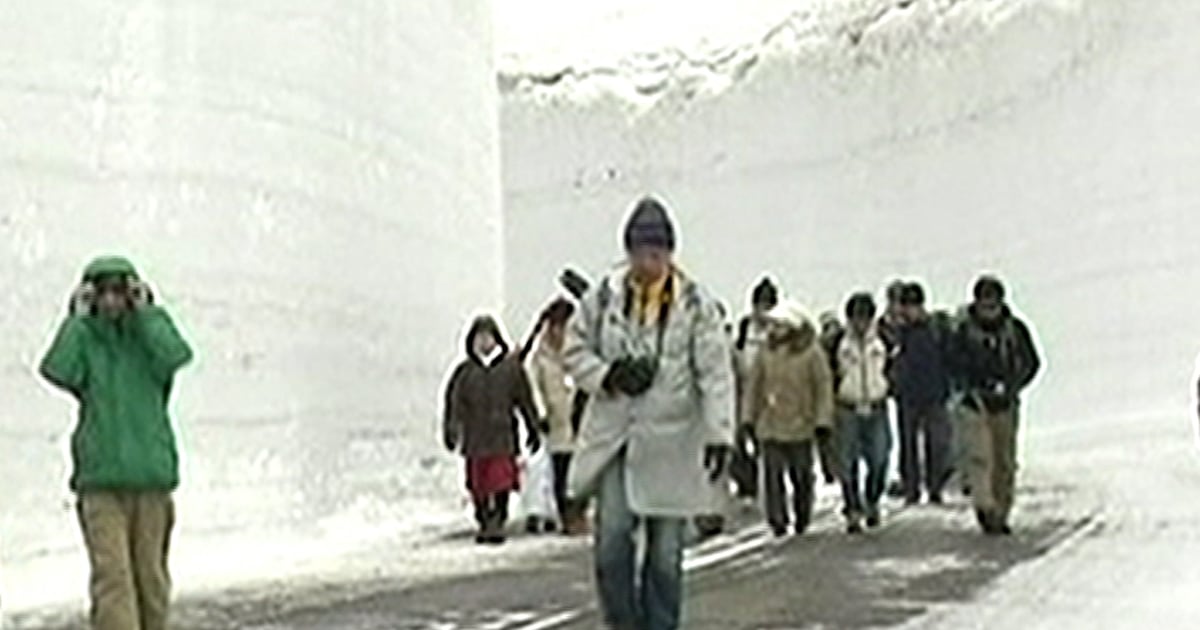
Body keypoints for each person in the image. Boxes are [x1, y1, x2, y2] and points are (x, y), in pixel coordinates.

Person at [563, 195, 734, 630]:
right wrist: (609, 376)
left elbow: (715, 373)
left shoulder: (696, 305)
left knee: (665, 556)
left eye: (656, 253)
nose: (648, 263)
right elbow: (574, 349)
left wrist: (720, 433)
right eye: (640, 252)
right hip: (618, 440)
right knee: (611, 544)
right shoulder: (603, 298)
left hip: (673, 445)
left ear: (670, 253)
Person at [38, 256, 194, 630]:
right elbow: (57, 369)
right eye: (102, 293)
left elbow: (177, 355)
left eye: (118, 291)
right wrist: (76, 321)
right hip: (100, 484)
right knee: (113, 580)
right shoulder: (86, 343)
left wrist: (149, 313)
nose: (110, 301)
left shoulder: (150, 344)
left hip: (151, 481)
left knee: (151, 580)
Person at [949, 275, 1041, 535]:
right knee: (979, 457)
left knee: (1004, 461)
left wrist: (1013, 385)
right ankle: (985, 505)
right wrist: (968, 386)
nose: (989, 309)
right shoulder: (963, 332)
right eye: (984, 304)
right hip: (974, 404)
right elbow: (951, 363)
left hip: (1005, 405)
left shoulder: (1016, 330)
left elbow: (1032, 362)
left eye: (993, 304)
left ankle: (1001, 511)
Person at [443, 315, 543, 545]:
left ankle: (497, 520)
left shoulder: (511, 370)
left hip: (502, 438)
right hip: (475, 440)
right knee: (478, 485)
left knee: (501, 482)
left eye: (488, 337)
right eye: (479, 337)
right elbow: (453, 404)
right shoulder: (464, 373)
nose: (484, 342)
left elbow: (525, 401)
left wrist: (533, 428)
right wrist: (451, 429)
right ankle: (483, 520)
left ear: (497, 338)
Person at [741, 300, 834, 537]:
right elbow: (754, 386)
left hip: (801, 423)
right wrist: (748, 418)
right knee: (772, 476)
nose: (774, 329)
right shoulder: (765, 352)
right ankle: (777, 520)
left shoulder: (811, 353)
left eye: (779, 325)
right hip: (770, 423)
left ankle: (803, 514)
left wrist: (823, 421)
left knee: (801, 475)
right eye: (773, 325)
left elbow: (823, 387)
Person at [829, 293, 893, 534]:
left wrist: (889, 385)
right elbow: (828, 371)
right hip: (847, 405)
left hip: (876, 404)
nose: (861, 323)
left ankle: (872, 499)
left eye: (865, 318)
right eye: (856, 318)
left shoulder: (884, 339)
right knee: (847, 462)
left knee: (879, 457)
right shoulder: (837, 342)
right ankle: (852, 508)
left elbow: (895, 365)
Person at [530, 298, 590, 535]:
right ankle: (567, 516)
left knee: (582, 474)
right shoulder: (541, 359)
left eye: (564, 327)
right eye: (555, 327)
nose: (559, 333)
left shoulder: (580, 355)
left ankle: (580, 512)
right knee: (561, 473)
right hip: (557, 425)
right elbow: (534, 387)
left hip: (581, 426)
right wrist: (541, 413)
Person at [892, 282, 954, 505]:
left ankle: (935, 487)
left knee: (936, 445)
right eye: (905, 305)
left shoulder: (936, 330)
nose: (908, 310)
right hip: (907, 396)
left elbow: (949, 358)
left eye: (912, 305)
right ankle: (911, 489)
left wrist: (948, 386)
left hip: (934, 394)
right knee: (908, 445)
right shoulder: (898, 332)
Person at [730, 277, 779, 500]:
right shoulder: (745, 327)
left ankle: (770, 490)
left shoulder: (779, 330)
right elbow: (737, 354)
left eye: (768, 306)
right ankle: (746, 485)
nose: (763, 312)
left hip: (769, 395)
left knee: (767, 447)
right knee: (738, 443)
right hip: (744, 392)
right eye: (760, 305)